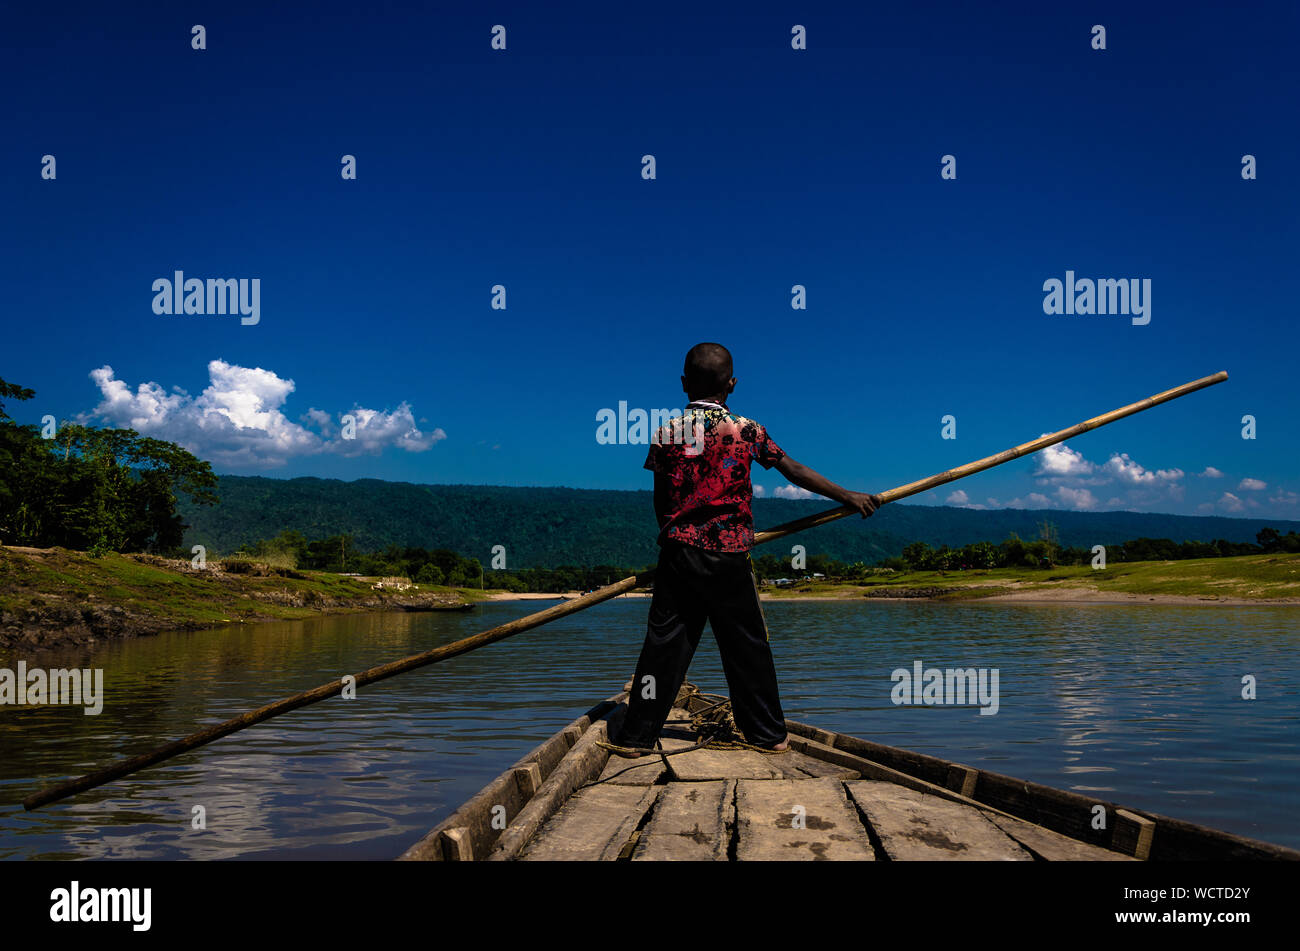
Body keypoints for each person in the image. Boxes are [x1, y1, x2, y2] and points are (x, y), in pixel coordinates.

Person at [611, 342, 881, 757]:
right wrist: (847, 496)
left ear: (684, 383)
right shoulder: (746, 429)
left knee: (664, 644)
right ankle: (768, 736)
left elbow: (661, 499)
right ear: (732, 384)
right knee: (746, 646)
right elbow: (794, 470)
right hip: (730, 556)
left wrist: (674, 535)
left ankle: (635, 738)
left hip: (680, 555)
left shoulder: (666, 432)